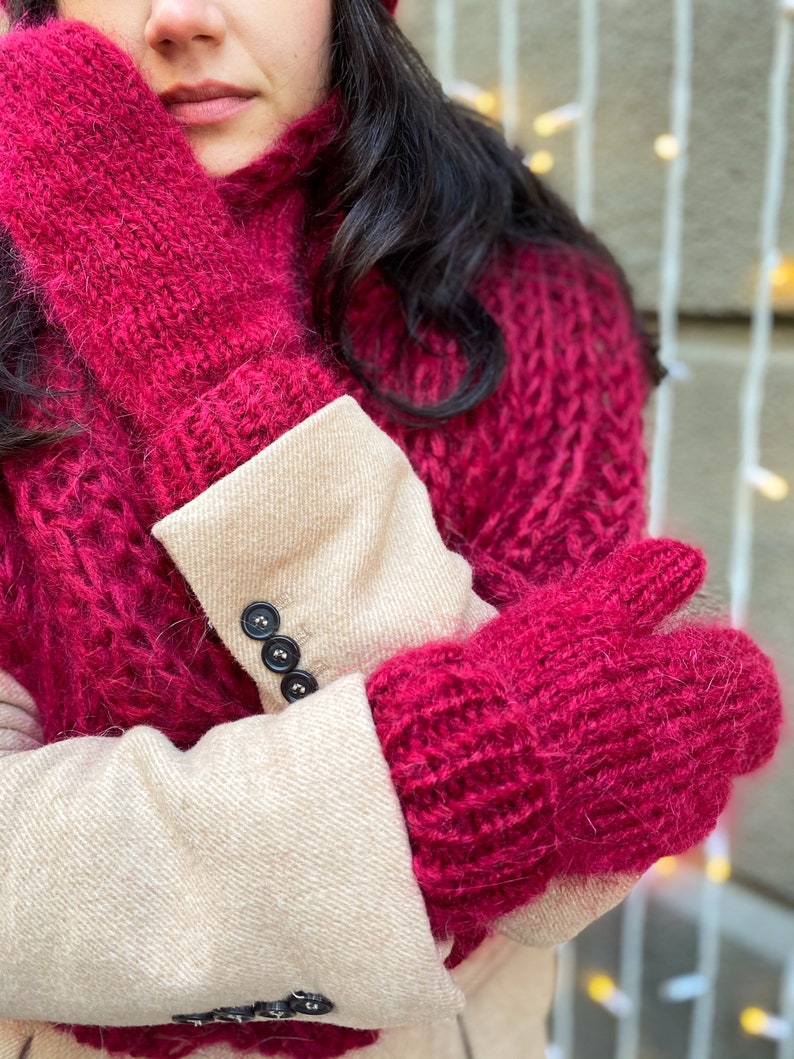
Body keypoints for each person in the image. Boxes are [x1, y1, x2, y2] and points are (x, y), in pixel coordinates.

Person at [0, 1, 782, 1057]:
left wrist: (215, 375)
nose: (179, 16)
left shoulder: (527, 303)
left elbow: (551, 881)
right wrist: (432, 802)